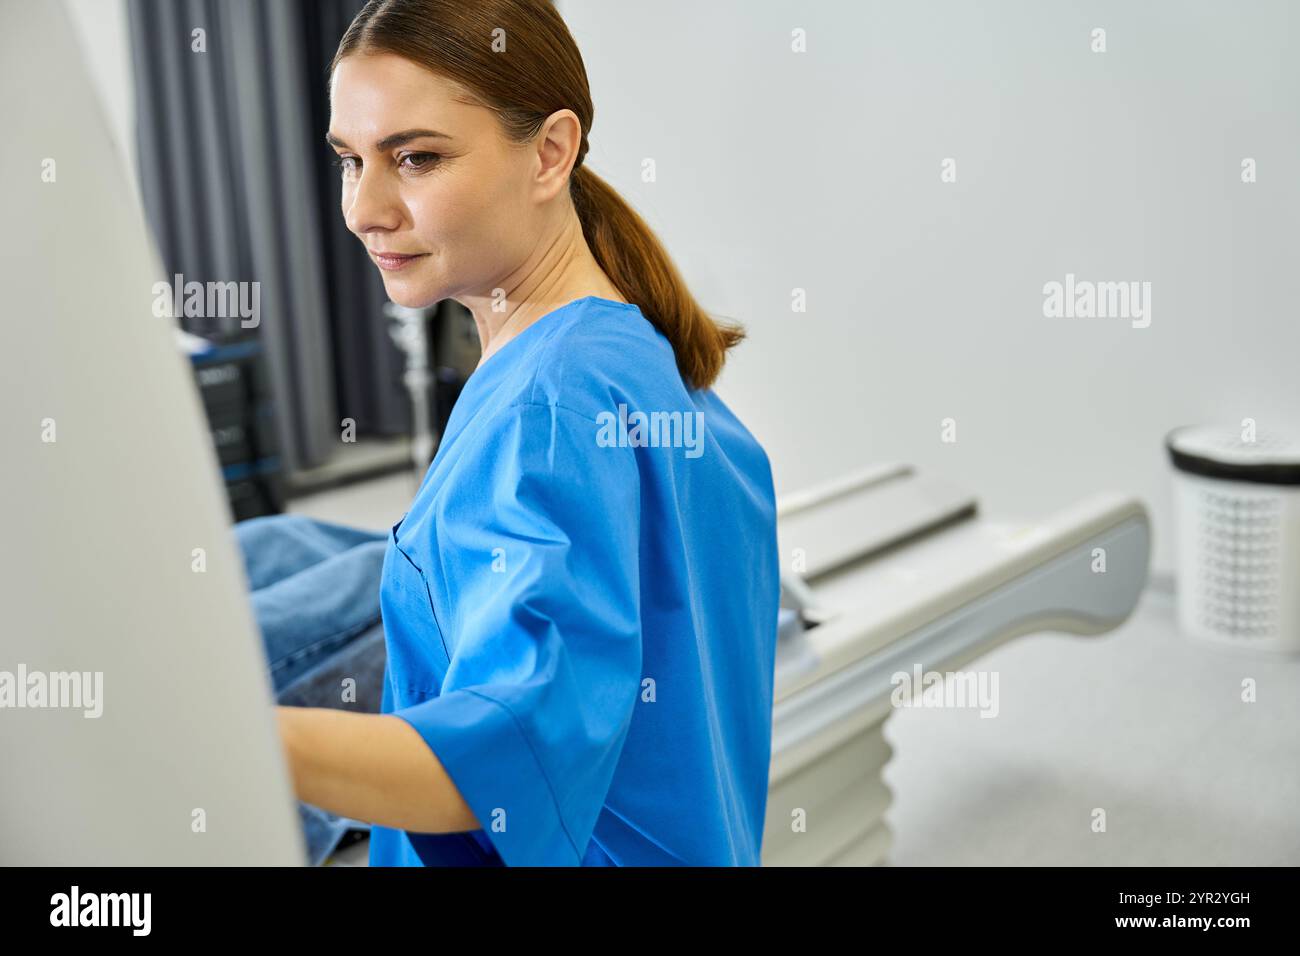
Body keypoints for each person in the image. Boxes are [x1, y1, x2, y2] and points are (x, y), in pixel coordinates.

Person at [275, 0, 781, 866]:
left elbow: (497, 759)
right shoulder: (634, 355)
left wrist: (220, 730)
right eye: (351, 161)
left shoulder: (546, 411)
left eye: (417, 158)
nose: (364, 208)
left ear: (551, 152)